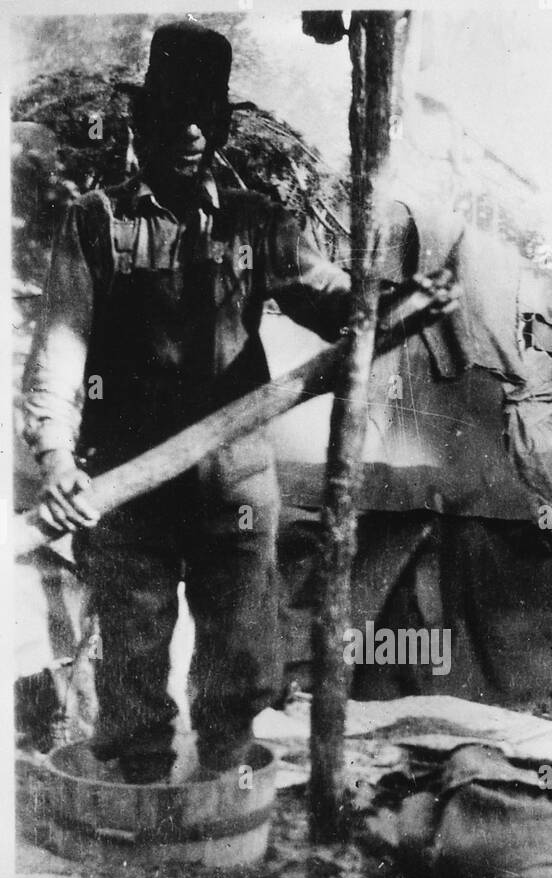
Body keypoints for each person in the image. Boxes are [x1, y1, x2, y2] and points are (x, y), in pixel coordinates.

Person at [24, 21, 351, 782]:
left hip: (232, 486)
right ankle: (144, 810)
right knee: (134, 662)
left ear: (226, 123)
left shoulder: (257, 222)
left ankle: (225, 809)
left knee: (237, 660)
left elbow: (334, 302)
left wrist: (387, 301)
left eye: (207, 113)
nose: (193, 132)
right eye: (175, 112)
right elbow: (60, 352)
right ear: (143, 120)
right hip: (127, 484)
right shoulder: (97, 222)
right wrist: (56, 459)